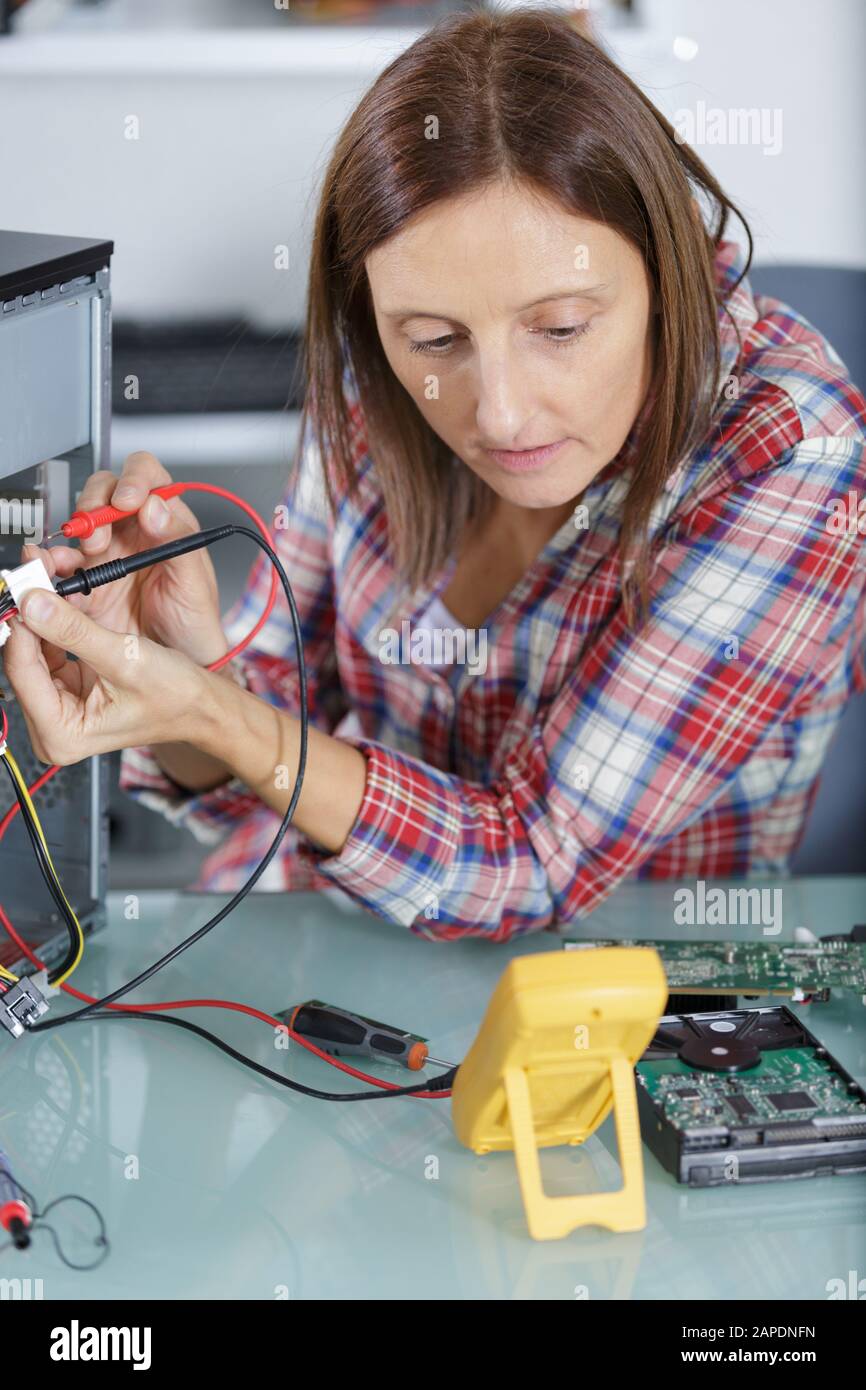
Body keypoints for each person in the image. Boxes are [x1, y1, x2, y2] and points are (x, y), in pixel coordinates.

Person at [5, 8, 865, 942]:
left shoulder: (795, 453)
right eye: (434, 340)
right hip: (332, 949)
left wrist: (220, 716)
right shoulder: (370, 378)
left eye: (562, 329)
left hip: (630, 985)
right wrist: (182, 666)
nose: (496, 413)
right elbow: (258, 765)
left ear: (670, 269)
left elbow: (534, 862)